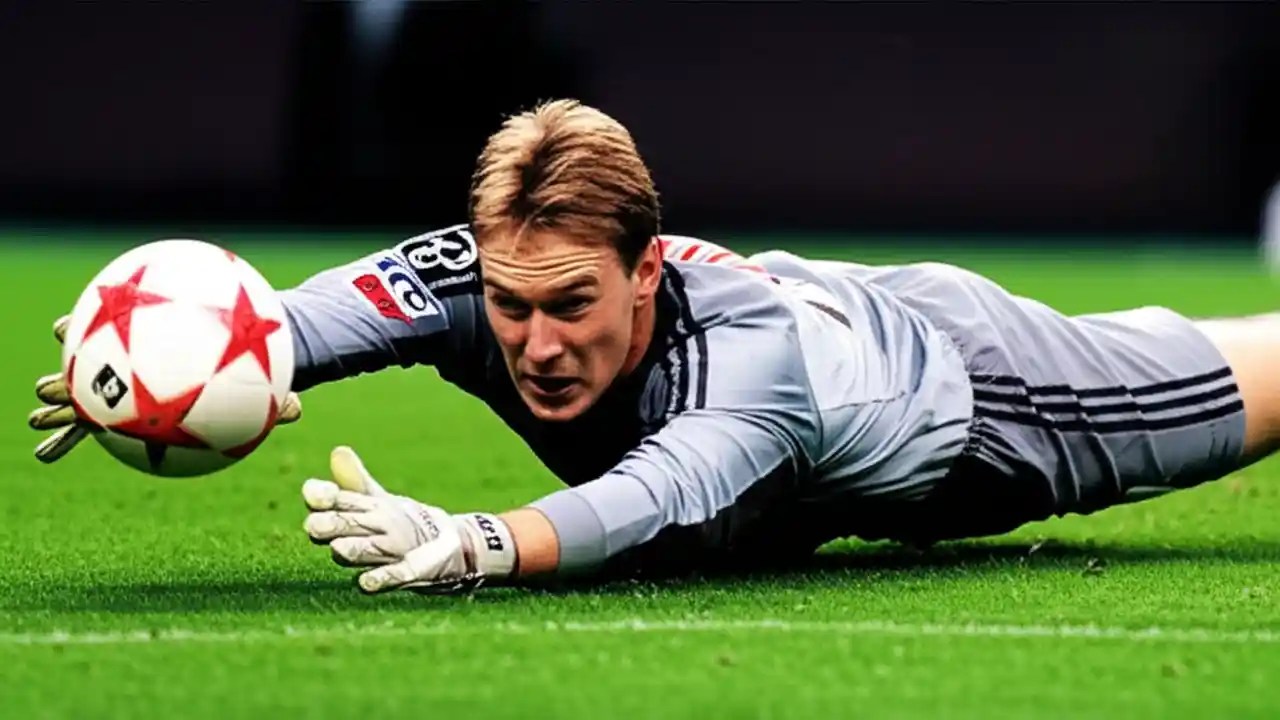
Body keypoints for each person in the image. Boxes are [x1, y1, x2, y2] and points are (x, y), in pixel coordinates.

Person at [28, 99, 1280, 595]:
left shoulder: (748, 367)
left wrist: (478, 544)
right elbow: (277, 325)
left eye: (571, 304)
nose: (532, 342)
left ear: (645, 268)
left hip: (986, 400)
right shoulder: (490, 271)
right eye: (508, 303)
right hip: (836, 338)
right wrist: (140, 382)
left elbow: (655, 499)